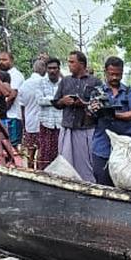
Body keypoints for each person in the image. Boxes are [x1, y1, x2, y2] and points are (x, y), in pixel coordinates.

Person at [90, 56, 131, 186]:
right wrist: (93, 110)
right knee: (102, 184)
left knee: (125, 186)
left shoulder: (129, 91)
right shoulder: (97, 92)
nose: (114, 78)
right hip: (102, 146)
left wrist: (115, 115)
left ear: (122, 73)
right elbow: (90, 115)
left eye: (118, 75)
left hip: (125, 147)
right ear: (105, 72)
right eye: (111, 74)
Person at [53, 50, 103, 182]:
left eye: (71, 62)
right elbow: (56, 102)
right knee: (66, 162)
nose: (69, 65)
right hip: (68, 127)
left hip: (86, 128)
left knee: (86, 164)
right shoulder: (65, 81)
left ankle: (89, 188)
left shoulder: (95, 82)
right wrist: (63, 101)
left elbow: (101, 105)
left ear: (81, 64)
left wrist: (84, 103)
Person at [19, 57, 64, 170]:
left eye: (54, 68)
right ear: (45, 69)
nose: (52, 71)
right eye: (50, 68)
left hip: (59, 124)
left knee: (59, 154)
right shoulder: (40, 83)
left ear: (59, 69)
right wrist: (58, 100)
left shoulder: (63, 83)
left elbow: (22, 104)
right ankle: (38, 175)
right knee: (43, 153)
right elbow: (40, 100)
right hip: (44, 124)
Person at [0, 51, 25, 146]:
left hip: (12, 116)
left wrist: (2, 110)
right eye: (0, 60)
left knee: (12, 146)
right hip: (4, 116)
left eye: (5, 60)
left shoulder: (15, 75)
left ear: (12, 61)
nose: (1, 62)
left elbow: (12, 95)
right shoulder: (0, 75)